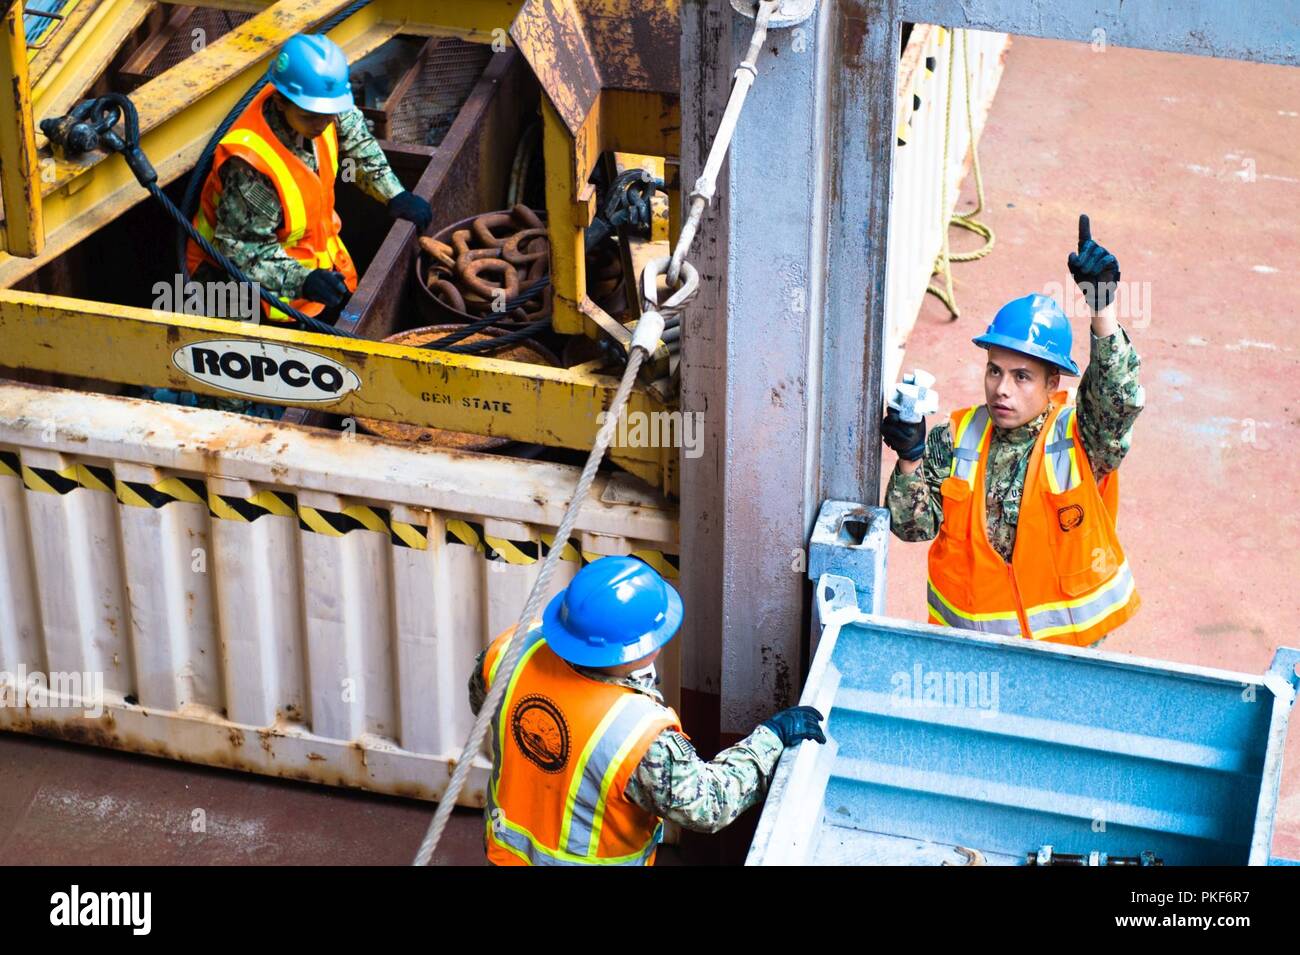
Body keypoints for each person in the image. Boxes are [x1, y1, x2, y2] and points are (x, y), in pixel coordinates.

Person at [881, 214, 1144, 647]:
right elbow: (914, 528)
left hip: (1067, 653)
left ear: (1051, 384)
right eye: (994, 371)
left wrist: (1102, 309)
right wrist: (908, 461)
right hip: (974, 650)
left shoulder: (1082, 438)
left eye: (1021, 376)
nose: (1002, 390)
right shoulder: (958, 437)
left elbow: (1119, 397)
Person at [467, 555, 826, 865]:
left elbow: (483, 706)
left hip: (506, 855)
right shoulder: (636, 733)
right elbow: (708, 804)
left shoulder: (509, 652)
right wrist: (771, 739)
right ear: (637, 649)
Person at [184, 33, 433, 325]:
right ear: (279, 101)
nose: (322, 124)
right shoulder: (249, 165)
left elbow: (356, 140)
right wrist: (303, 280)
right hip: (233, 284)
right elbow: (244, 250)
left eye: (329, 115)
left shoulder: (324, 105)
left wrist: (394, 194)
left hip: (308, 262)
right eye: (309, 117)